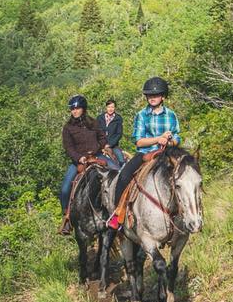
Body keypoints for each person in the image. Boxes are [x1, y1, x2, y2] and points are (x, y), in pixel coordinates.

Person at [105, 76, 181, 230]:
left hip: (167, 154)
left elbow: (178, 137)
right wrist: (158, 139)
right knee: (124, 176)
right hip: (145, 154)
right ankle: (118, 213)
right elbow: (138, 141)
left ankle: (189, 214)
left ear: (163, 96)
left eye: (156, 95)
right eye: (149, 95)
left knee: (187, 174)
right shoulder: (141, 115)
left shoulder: (171, 115)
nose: (152, 98)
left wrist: (171, 139)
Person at [59, 94, 109, 235]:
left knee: (118, 172)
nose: (74, 111)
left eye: (77, 108)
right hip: (79, 161)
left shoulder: (93, 123)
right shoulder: (68, 128)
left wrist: (103, 147)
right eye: (72, 109)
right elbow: (68, 148)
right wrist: (79, 157)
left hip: (97, 157)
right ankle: (67, 218)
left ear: (83, 109)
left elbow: (102, 137)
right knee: (65, 188)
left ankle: (121, 211)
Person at [98, 98, 125, 167]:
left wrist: (110, 144)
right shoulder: (99, 118)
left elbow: (119, 134)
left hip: (113, 146)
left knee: (121, 159)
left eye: (112, 107)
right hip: (100, 146)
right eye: (109, 107)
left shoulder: (118, 118)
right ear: (106, 107)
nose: (110, 109)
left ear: (115, 108)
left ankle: (122, 172)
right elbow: (96, 132)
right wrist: (102, 144)